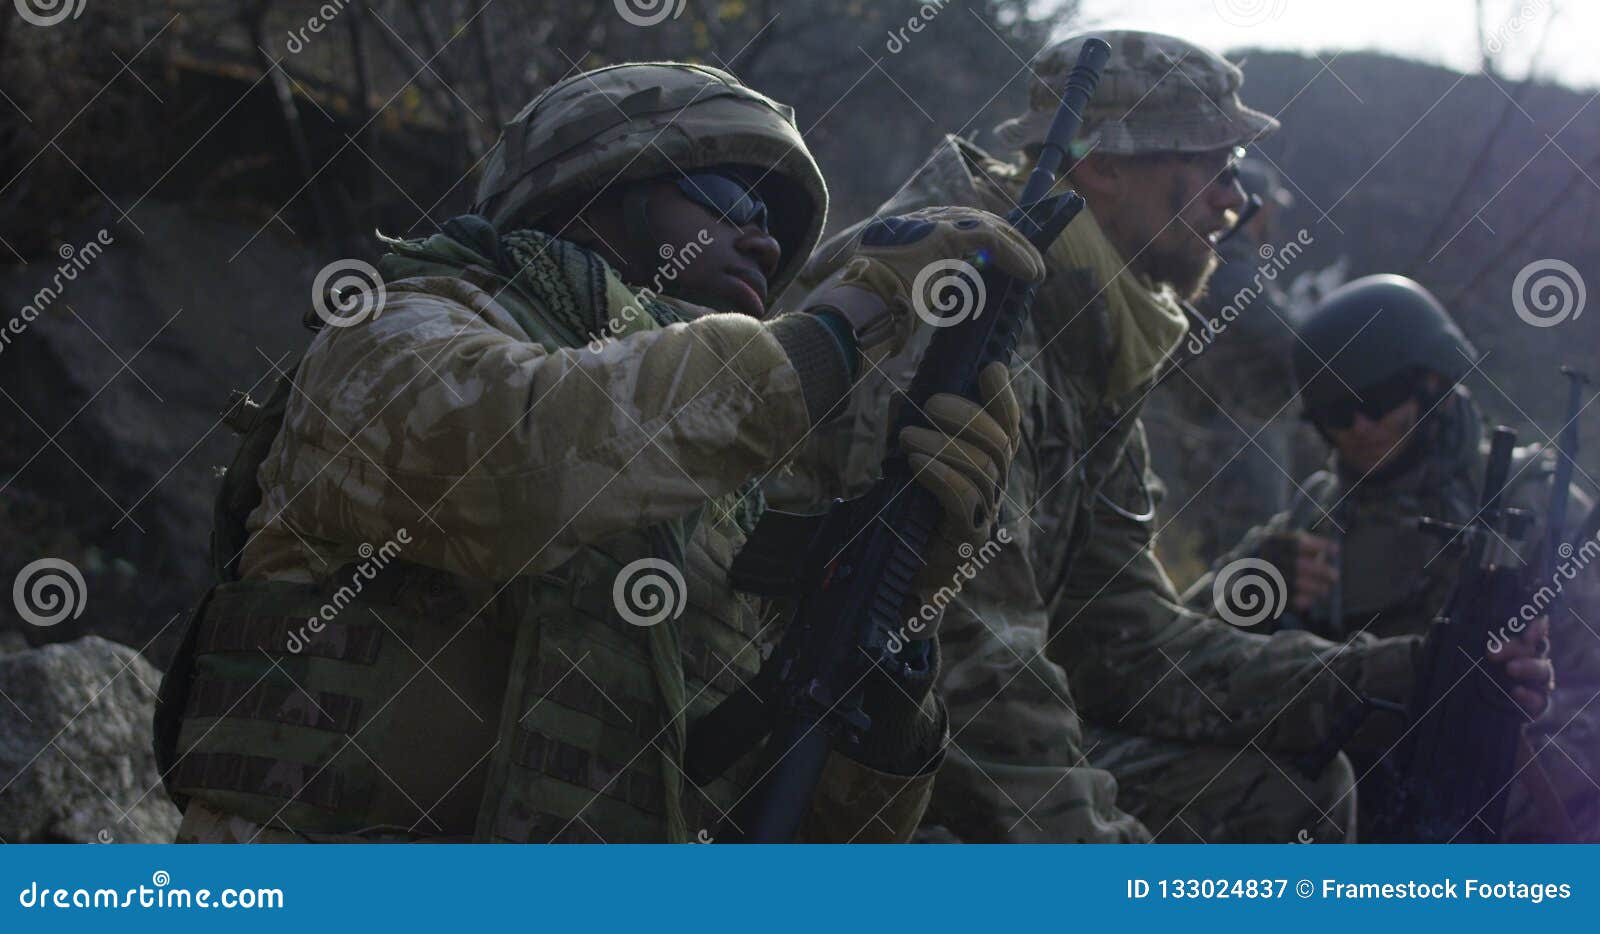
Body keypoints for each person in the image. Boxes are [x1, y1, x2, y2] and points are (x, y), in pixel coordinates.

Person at [152, 62, 1042, 843]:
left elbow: (800, 841)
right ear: (594, 192)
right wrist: (843, 326)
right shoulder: (401, 329)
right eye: (731, 199)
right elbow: (523, 462)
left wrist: (892, 638)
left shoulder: (721, 492)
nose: (764, 239)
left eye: (773, 222)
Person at [772, 31, 1554, 842]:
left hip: (927, 731)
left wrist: (1394, 678)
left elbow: (1120, 638)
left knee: (1292, 794)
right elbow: (973, 674)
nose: (1231, 201)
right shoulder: (956, 316)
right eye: (1213, 168)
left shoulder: (1086, 338)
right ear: (1103, 167)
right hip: (810, 757)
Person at [1190, 274, 1598, 841]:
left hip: (1528, 785)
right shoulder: (1320, 517)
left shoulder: (1530, 499)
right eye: (1336, 414)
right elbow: (1178, 642)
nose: (1359, 428)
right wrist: (1258, 576)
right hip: (1364, 799)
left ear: (1430, 384)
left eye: (1376, 401)